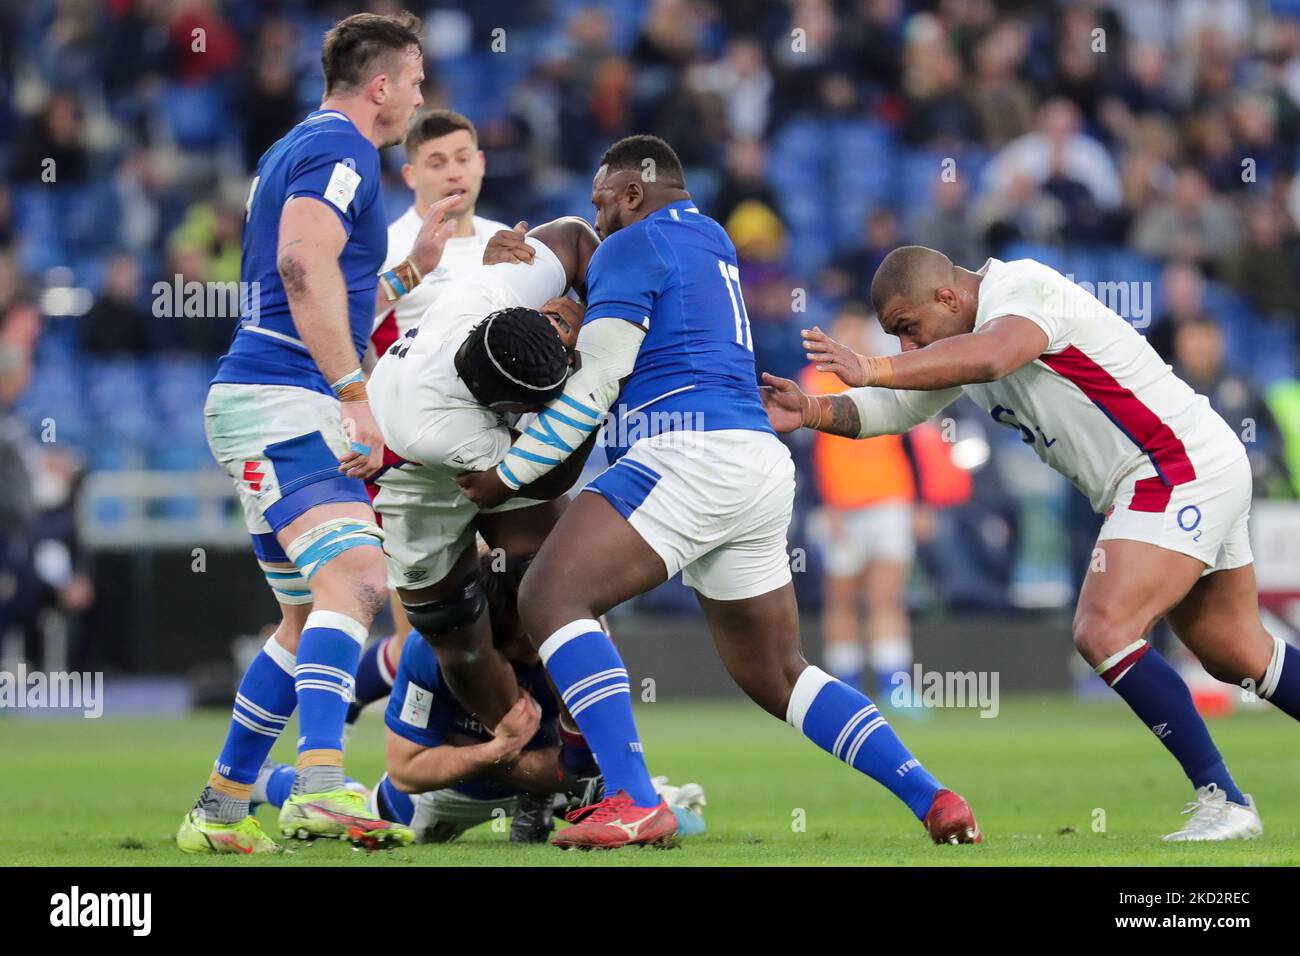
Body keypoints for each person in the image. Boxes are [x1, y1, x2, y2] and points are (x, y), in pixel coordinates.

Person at [458, 136, 980, 850]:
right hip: (756, 464)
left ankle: (633, 798)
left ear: (634, 193)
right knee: (780, 674)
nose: (599, 219)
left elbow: (599, 378)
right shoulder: (710, 239)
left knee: (549, 596)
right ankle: (935, 796)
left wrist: (505, 476)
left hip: (688, 453)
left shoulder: (631, 245)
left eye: (603, 201)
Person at [763, 244, 1300, 841]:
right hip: (1188, 466)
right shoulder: (961, 345)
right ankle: (1224, 798)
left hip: (1171, 465)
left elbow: (992, 357)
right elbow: (891, 408)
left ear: (948, 296)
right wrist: (811, 408)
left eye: (909, 329)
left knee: (1103, 630)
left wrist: (871, 365)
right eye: (896, 338)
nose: (908, 348)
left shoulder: (1022, 287)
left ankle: (1223, 799)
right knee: (1235, 650)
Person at [178, 11, 430, 855]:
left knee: (301, 619)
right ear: (382, 84)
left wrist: (407, 272)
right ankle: (321, 785)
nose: (421, 99)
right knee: (360, 578)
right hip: (284, 397)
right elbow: (299, 267)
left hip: (259, 390)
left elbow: (326, 287)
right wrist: (354, 394)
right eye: (417, 81)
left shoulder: (290, 148)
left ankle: (218, 809)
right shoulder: (347, 150)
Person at [367, 216, 600, 739]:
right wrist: (592, 379)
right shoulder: (444, 428)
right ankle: (522, 745)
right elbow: (542, 478)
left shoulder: (487, 293)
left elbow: (574, 237)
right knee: (457, 639)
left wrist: (606, 309)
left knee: (560, 585)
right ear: (508, 407)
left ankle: (583, 758)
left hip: (487, 451)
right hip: (415, 483)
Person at [348, 109, 515, 737]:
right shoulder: (387, 249)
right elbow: (345, 333)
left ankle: (529, 771)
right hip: (408, 460)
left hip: (499, 454)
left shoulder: (510, 244)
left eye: (463, 156)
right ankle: (427, 766)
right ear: (410, 171)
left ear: (482, 162)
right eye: (437, 161)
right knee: (430, 631)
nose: (453, 172)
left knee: (515, 610)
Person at [801, 304, 918, 698]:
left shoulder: (885, 376)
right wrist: (822, 505)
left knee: (886, 596)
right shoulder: (812, 384)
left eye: (857, 331)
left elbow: (910, 441)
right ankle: (846, 688)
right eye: (843, 331)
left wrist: (921, 502)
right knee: (842, 599)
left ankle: (895, 686)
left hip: (890, 499)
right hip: (840, 508)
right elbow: (806, 453)